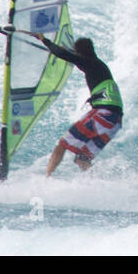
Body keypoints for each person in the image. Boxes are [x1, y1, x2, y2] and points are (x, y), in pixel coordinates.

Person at [38, 35, 123, 175]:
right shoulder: (97, 64)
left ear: (80, 53)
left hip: (104, 114)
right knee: (82, 159)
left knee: (62, 144)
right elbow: (74, 59)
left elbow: (63, 55)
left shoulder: (90, 62)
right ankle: (96, 184)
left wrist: (44, 40)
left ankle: (46, 179)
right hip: (115, 120)